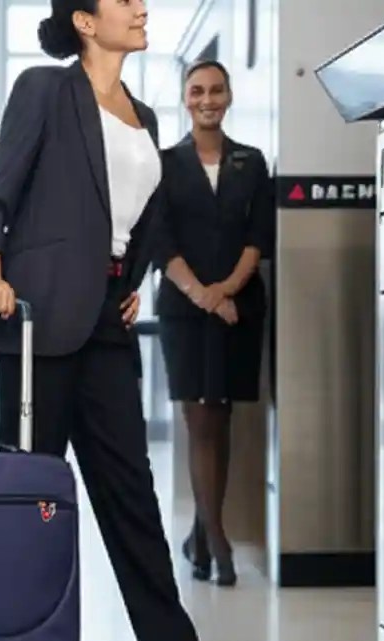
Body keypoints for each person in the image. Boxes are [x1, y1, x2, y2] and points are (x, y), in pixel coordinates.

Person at [0, 0, 251, 641]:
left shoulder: (147, 118)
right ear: (87, 22)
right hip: (35, 319)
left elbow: (142, 219)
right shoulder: (45, 90)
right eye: (123, 1)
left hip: (104, 324)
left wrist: (133, 284)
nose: (141, 7)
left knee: (130, 491)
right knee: (37, 500)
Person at [154, 60, 274, 588]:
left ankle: (201, 537)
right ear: (186, 99)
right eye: (197, 91)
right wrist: (203, 295)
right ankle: (218, 541)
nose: (208, 99)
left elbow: (258, 237)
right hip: (185, 308)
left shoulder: (251, 162)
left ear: (228, 97)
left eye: (216, 90)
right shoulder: (164, 163)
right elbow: (160, 242)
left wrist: (226, 292)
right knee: (200, 417)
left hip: (239, 307)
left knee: (221, 416)